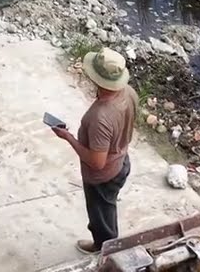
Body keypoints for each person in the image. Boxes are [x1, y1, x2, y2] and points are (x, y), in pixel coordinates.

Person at [52, 47, 137, 255]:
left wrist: (68, 137)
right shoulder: (129, 93)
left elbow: (97, 162)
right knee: (108, 207)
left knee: (101, 216)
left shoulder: (101, 117)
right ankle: (106, 244)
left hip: (103, 176)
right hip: (121, 161)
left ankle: (104, 249)